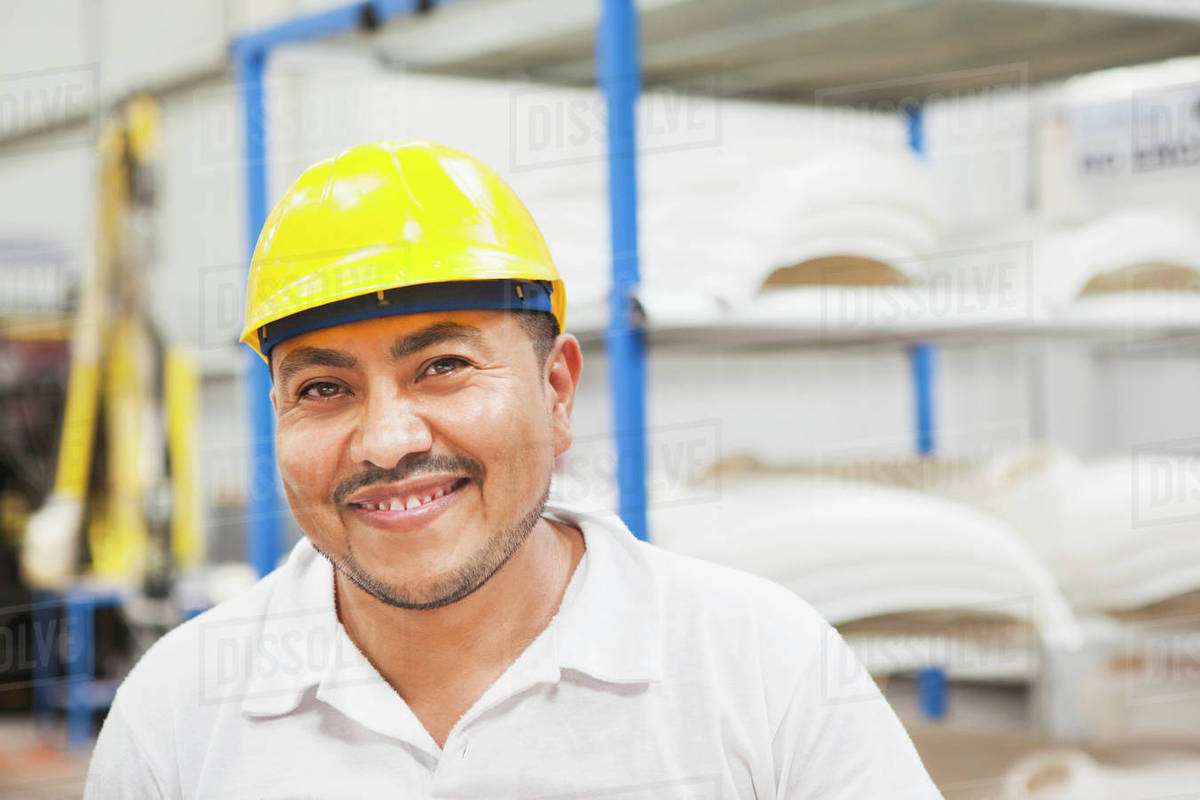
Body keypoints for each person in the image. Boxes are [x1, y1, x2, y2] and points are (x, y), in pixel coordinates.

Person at [84, 139, 943, 798]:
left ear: (557, 389)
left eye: (444, 366)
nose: (386, 442)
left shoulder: (761, 668)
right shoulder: (179, 710)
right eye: (322, 386)